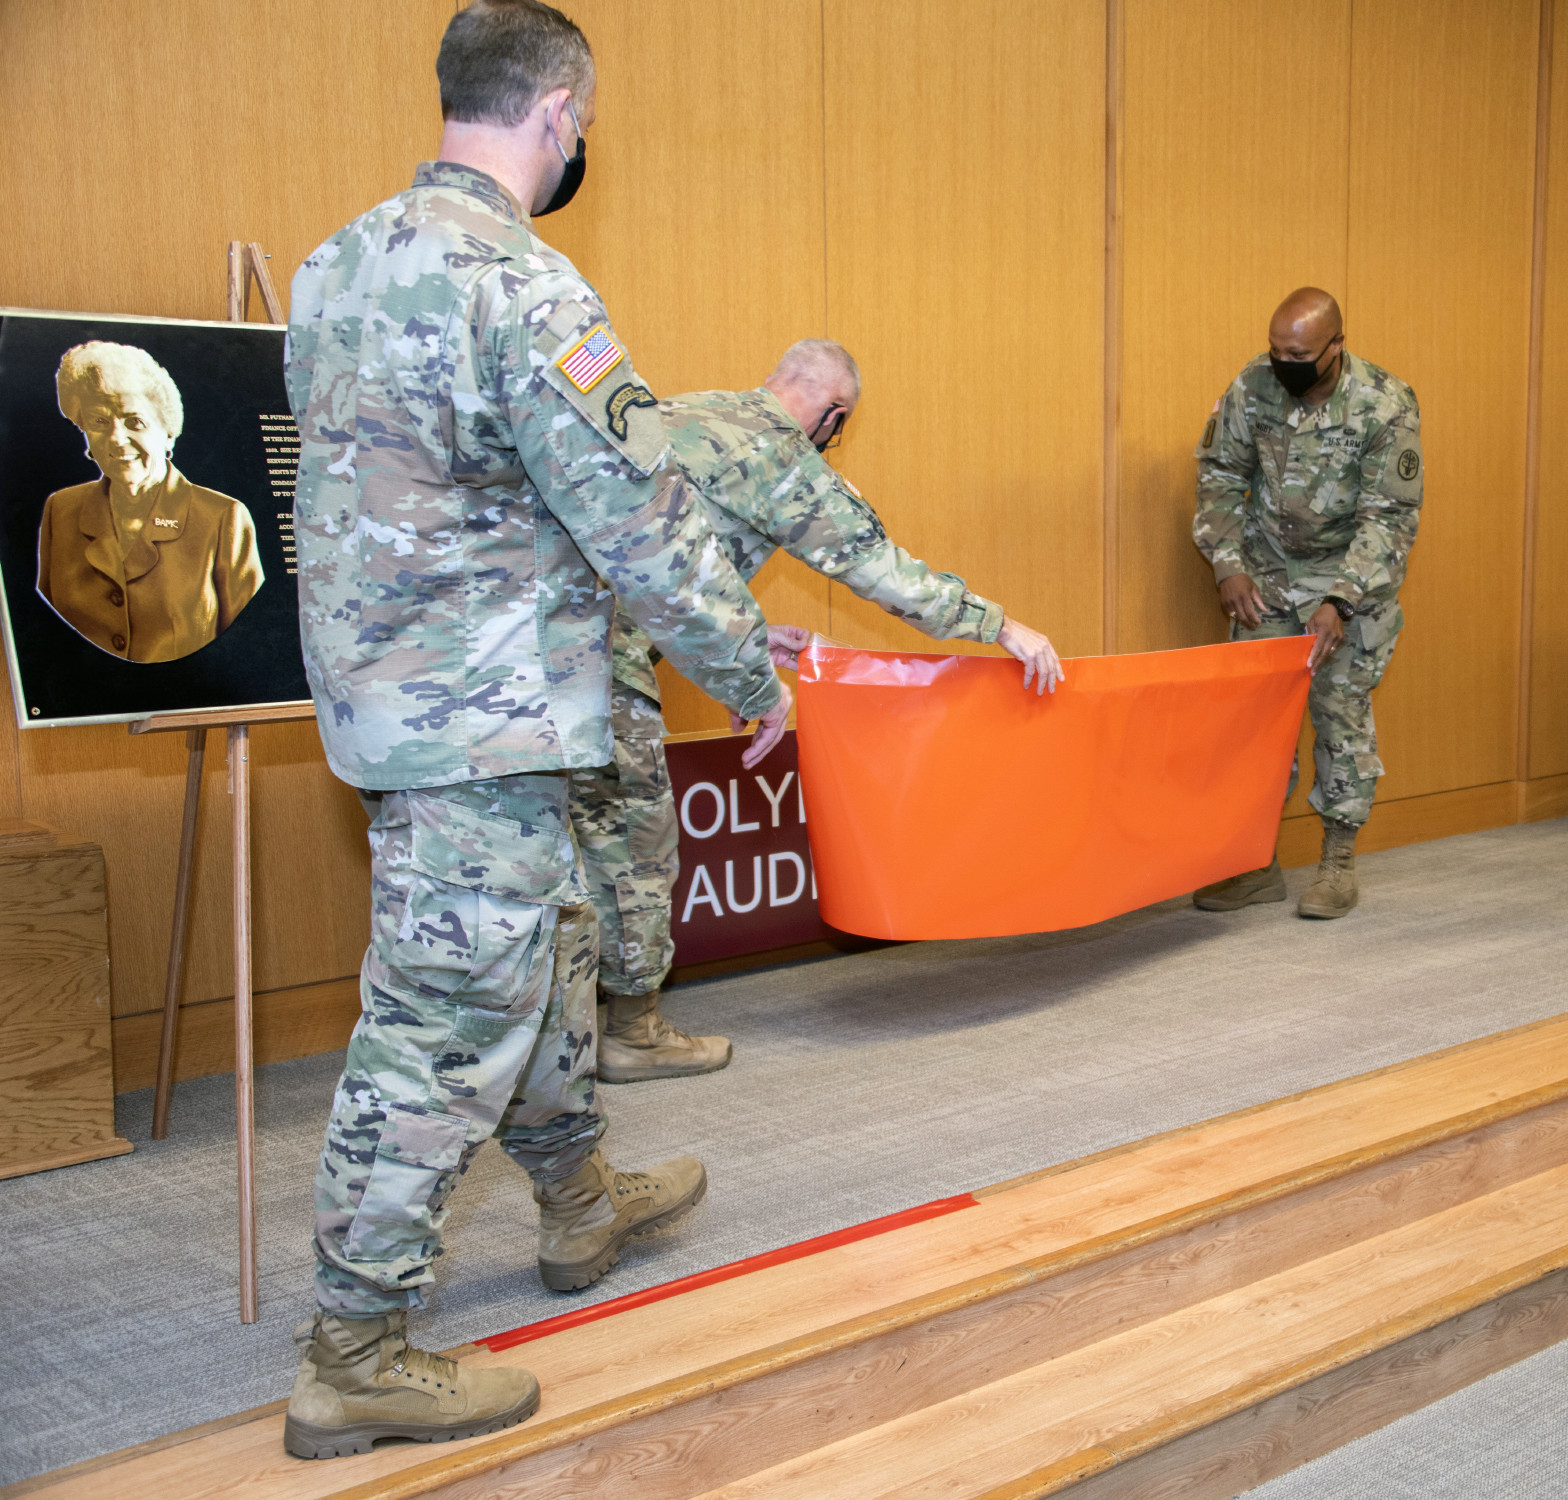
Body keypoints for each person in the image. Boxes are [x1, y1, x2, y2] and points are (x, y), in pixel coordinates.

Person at [281, 0, 793, 1459]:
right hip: (485, 720)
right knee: (445, 1021)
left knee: (540, 953)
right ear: (560, 111)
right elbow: (642, 518)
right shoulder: (527, 286)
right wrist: (749, 674)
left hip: (388, 706)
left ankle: (576, 1198)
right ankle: (355, 1349)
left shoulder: (334, 264)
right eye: (586, 120)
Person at [574, 338, 1063, 1082]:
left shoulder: (687, 412)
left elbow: (654, 568)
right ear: (834, 413)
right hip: (594, 669)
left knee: (543, 851)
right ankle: (632, 1034)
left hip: (523, 651)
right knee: (633, 847)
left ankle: (548, 1044)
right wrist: (1000, 626)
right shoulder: (782, 457)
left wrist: (746, 634)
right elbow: (884, 572)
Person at [1189, 287, 1421, 920]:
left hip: (1350, 585)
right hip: (1265, 581)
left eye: (1299, 355)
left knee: (1341, 719)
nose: (1283, 363)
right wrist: (1228, 564)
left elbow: (1389, 518)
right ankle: (1254, 865)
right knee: (1253, 727)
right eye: (1276, 350)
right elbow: (1220, 474)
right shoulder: (1253, 385)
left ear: (1336, 345)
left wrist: (1341, 600)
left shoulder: (1384, 403)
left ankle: (1337, 866)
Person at [39, 341, 263, 662]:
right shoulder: (60, 510)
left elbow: (250, 646)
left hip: (186, 692)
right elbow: (45, 630)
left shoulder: (223, 518)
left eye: (134, 422)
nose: (116, 439)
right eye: (99, 422)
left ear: (167, 431)